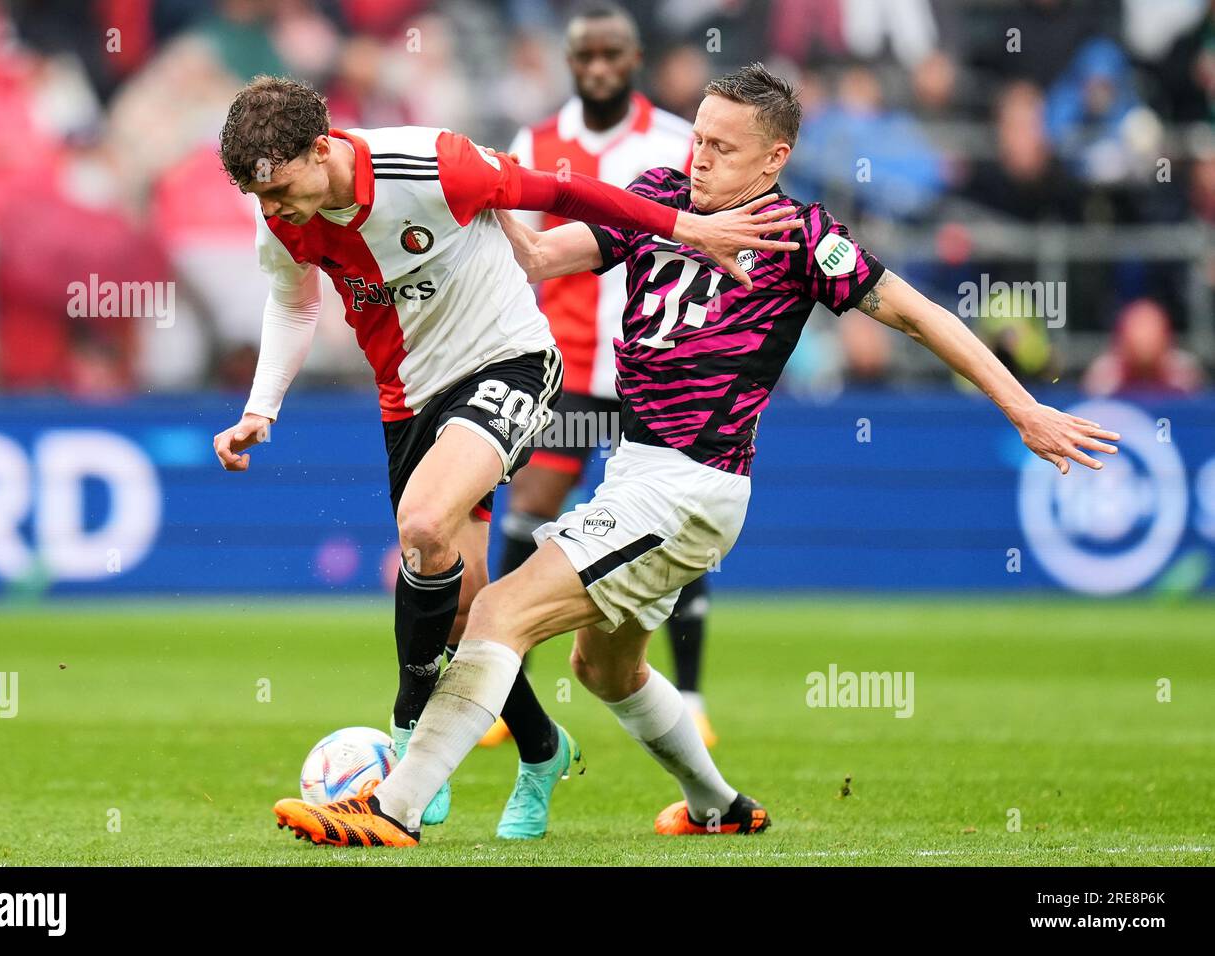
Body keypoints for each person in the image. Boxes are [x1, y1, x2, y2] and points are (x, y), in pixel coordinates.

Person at [269, 64, 1119, 848]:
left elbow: (917, 312)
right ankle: (719, 807)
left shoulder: (801, 236)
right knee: (604, 666)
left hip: (692, 488)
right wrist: (468, 217)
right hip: (636, 471)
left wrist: (1024, 408)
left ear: (774, 157)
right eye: (697, 137)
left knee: (498, 613)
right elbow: (540, 255)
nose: (699, 157)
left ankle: (393, 810)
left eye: (722, 146)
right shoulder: (662, 199)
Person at [212, 74, 797, 839]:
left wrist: (689, 230)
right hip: (409, 402)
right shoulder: (283, 220)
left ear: (322, 150)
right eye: (260, 198)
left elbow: (566, 194)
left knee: (423, 527)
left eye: (282, 189)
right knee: (463, 609)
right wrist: (262, 407)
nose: (274, 209)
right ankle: (544, 747)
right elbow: (294, 302)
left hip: (508, 363)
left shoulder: (431, 165)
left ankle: (403, 751)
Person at [490, 4, 720, 757]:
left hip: (654, 370)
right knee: (531, 507)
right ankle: (506, 690)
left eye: (610, 53)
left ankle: (690, 695)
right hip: (567, 368)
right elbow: (515, 247)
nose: (596, 66)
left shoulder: (672, 141)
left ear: (634, 57)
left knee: (675, 527)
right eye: (584, 53)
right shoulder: (537, 140)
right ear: (569, 59)